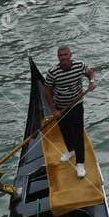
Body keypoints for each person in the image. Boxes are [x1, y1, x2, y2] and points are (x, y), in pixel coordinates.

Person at [42, 46, 97, 179]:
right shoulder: (52, 72)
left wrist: (92, 81)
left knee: (77, 133)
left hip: (77, 105)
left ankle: (80, 164)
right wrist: (53, 109)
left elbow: (90, 73)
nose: (64, 58)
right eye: (61, 56)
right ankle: (70, 150)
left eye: (66, 55)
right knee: (65, 131)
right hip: (60, 107)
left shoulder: (79, 66)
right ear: (58, 58)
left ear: (70, 55)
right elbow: (47, 91)